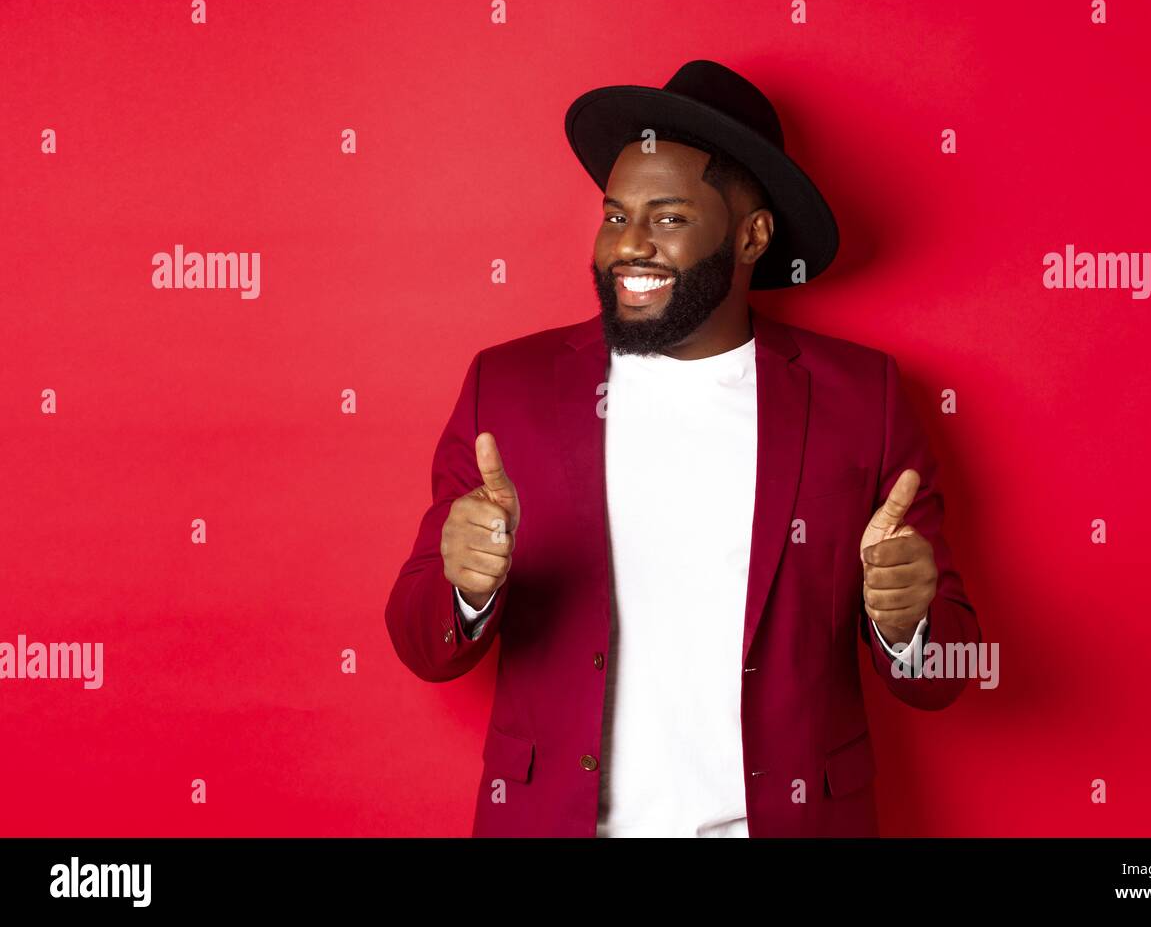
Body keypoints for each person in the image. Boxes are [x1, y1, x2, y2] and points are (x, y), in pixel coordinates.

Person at [385, 59, 980, 837]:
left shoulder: (859, 397)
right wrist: (464, 588)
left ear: (751, 236)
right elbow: (422, 645)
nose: (629, 245)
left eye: (667, 219)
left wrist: (909, 628)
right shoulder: (510, 386)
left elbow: (948, 674)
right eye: (614, 215)